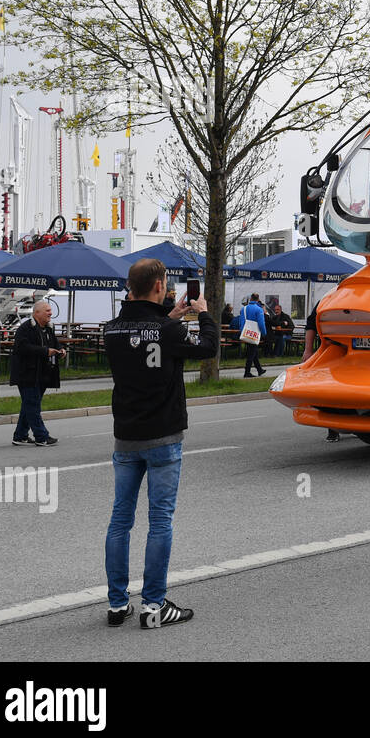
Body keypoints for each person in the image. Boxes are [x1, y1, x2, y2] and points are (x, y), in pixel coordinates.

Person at [102, 257, 218, 629]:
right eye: (165, 283)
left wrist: (170, 316)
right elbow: (209, 347)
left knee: (120, 520)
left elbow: (143, 337)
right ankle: (153, 605)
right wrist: (201, 313)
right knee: (160, 520)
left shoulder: (112, 329)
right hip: (163, 436)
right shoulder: (167, 331)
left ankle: (118, 605)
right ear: (157, 286)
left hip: (126, 437)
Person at [9, 300, 65, 446]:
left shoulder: (48, 328)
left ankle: (20, 436)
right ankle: (42, 436)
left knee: (29, 404)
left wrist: (60, 350)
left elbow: (54, 343)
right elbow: (22, 348)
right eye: (47, 310)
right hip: (26, 374)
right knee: (33, 405)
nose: (50, 313)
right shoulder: (25, 328)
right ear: (37, 312)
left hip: (43, 374)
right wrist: (45, 351)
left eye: (50, 310)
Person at [302, 297, 340, 443]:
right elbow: (311, 324)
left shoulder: (328, 299)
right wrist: (308, 350)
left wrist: (308, 350)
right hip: (331, 351)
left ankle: (346, 426)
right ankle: (333, 428)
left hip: (350, 352)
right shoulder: (327, 300)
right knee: (332, 391)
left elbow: (310, 325)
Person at [235, 293, 268, 377]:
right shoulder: (259, 309)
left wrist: (242, 332)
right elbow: (261, 323)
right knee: (251, 353)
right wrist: (264, 333)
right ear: (258, 299)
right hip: (254, 333)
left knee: (253, 351)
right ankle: (247, 372)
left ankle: (259, 369)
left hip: (246, 333)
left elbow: (241, 322)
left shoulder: (244, 309)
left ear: (250, 299)